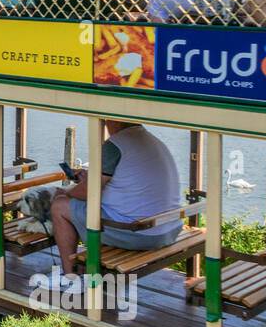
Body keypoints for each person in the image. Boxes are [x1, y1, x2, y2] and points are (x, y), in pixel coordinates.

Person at [45, 121, 182, 287]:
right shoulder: (151, 141)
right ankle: (87, 270)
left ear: (113, 120)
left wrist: (64, 193)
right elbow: (127, 181)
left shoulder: (115, 145)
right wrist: (90, 177)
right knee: (90, 208)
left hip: (139, 233)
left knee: (60, 206)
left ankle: (70, 278)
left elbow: (89, 191)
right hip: (169, 228)